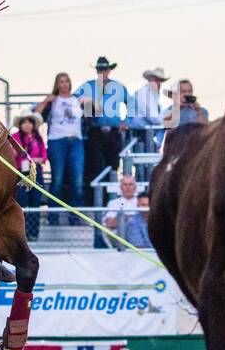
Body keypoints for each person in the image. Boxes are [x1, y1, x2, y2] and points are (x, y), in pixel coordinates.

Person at [33, 72, 84, 225]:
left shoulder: (77, 100)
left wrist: (89, 101)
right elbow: (35, 116)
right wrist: (46, 101)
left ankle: (75, 219)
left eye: (67, 81)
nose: (64, 84)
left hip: (76, 142)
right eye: (61, 81)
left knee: (77, 181)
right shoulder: (53, 100)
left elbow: (97, 112)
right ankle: (53, 218)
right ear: (57, 84)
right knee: (57, 180)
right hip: (57, 142)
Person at [75, 57, 130, 193]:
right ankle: (94, 199)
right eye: (100, 69)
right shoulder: (88, 86)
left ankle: (109, 198)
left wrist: (126, 121)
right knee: (94, 164)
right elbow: (72, 100)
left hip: (114, 131)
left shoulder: (119, 86)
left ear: (109, 70)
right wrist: (85, 103)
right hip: (94, 130)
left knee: (113, 165)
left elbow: (133, 105)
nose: (102, 72)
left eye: (105, 69)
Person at [11, 113, 48, 239]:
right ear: (20, 124)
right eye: (24, 122)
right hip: (21, 172)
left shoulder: (38, 138)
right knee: (22, 202)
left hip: (36, 172)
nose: (27, 125)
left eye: (30, 122)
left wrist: (32, 160)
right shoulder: (14, 137)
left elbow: (44, 156)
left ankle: (34, 233)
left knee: (35, 201)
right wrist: (32, 159)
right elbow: (13, 156)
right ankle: (22, 232)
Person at [128, 67, 167, 154]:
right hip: (140, 134)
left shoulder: (151, 94)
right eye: (156, 80)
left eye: (160, 81)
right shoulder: (144, 93)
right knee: (145, 161)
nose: (158, 83)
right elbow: (153, 118)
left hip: (146, 134)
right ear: (150, 79)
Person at [103, 172, 141, 250]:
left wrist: (123, 218)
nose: (128, 187)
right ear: (121, 187)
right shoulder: (113, 203)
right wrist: (133, 218)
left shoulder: (141, 201)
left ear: (135, 187)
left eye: (130, 184)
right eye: (125, 185)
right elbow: (110, 223)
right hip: (120, 237)